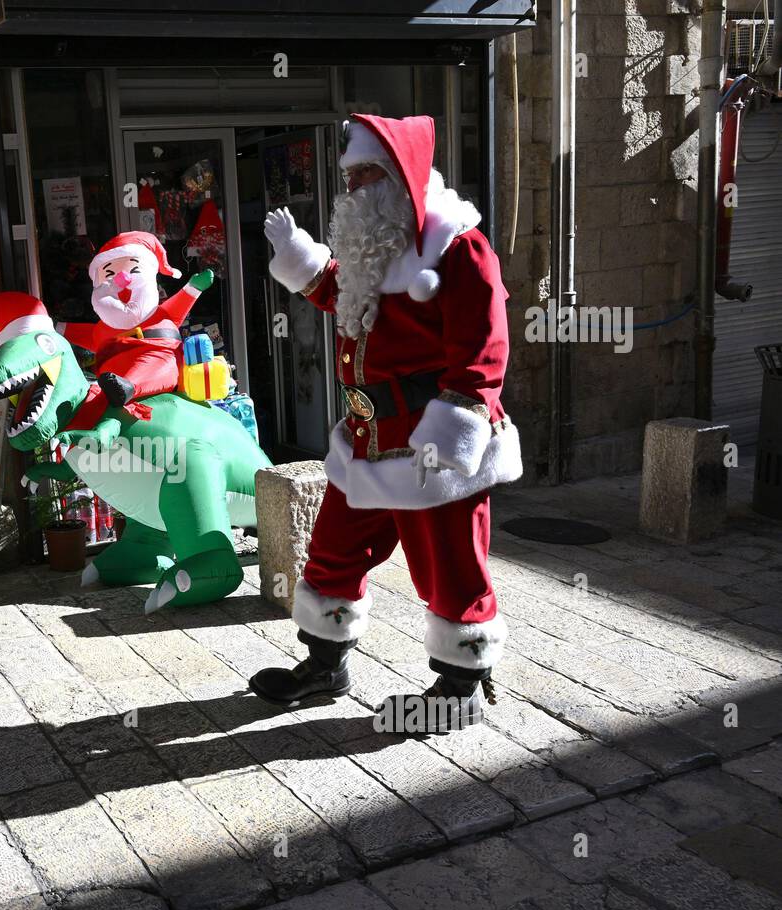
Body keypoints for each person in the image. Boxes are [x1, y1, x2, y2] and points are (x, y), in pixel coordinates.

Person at [249, 113, 522, 733]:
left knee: (449, 563)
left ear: (402, 175)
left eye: (368, 173)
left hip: (430, 441)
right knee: (334, 550)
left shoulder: (458, 245)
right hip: (369, 440)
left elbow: (485, 340)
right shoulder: (379, 244)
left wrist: (461, 416)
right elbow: (345, 293)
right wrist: (301, 262)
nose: (355, 188)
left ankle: (461, 686)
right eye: (349, 177)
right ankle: (325, 664)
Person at [60, 232, 213, 415]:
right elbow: (85, 335)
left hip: (156, 356)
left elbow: (179, 305)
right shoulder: (103, 327)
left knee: (164, 365)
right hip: (111, 371)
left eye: (133, 271)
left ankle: (130, 387)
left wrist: (193, 288)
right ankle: (118, 390)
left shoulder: (160, 314)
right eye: (108, 274)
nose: (122, 283)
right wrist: (58, 328)